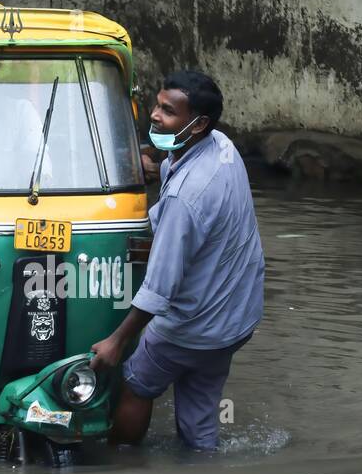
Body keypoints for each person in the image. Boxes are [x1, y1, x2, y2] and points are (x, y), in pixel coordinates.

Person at [89, 70, 265, 451]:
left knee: (138, 383)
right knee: (199, 414)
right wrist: (151, 159)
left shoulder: (184, 199)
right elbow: (180, 165)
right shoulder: (222, 146)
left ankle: (122, 469)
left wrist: (118, 341)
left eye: (167, 111)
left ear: (197, 124)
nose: (154, 115)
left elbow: (160, 286)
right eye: (156, 104)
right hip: (234, 319)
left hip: (193, 325)